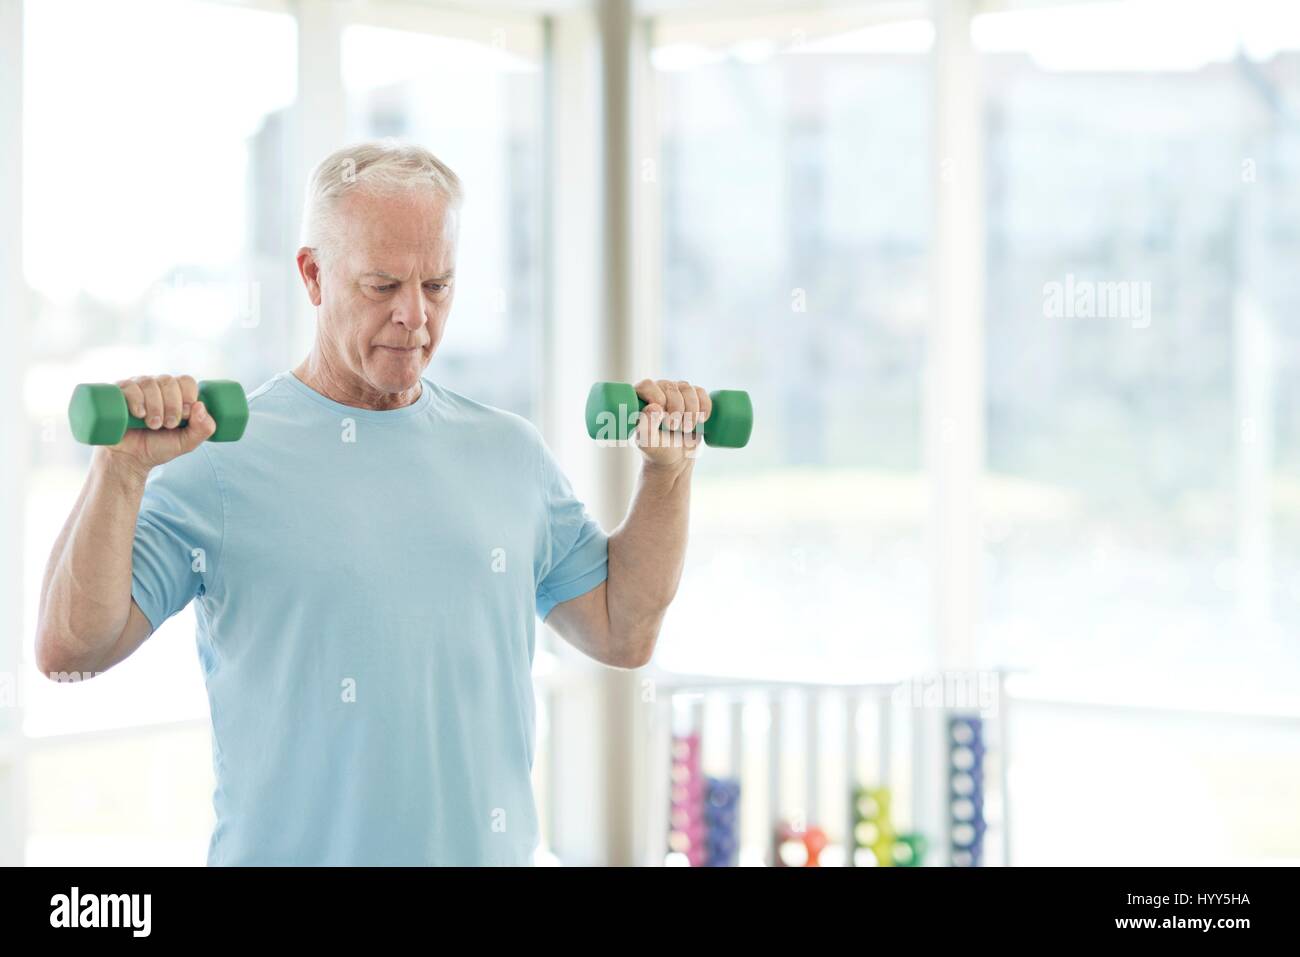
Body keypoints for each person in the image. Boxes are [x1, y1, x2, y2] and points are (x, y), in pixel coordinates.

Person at [35, 141, 712, 865]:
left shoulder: (508, 453)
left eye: (439, 285)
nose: (414, 317)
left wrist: (667, 473)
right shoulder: (218, 455)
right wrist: (120, 470)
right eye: (383, 284)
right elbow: (71, 648)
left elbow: (622, 631)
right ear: (313, 274)